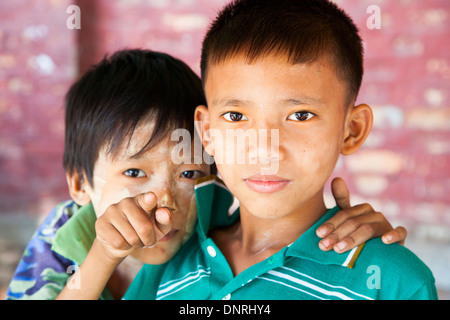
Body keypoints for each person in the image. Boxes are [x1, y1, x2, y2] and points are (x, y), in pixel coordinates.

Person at [7, 48, 402, 300]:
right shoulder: (62, 238)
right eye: (133, 171)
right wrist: (104, 255)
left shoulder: (217, 212)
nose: (164, 205)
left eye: (190, 173)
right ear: (80, 184)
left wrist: (349, 227)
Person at [123, 0, 437, 300]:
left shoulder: (394, 282)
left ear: (351, 130)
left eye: (300, 115)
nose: (265, 150)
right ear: (207, 132)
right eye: (236, 116)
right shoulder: (172, 258)